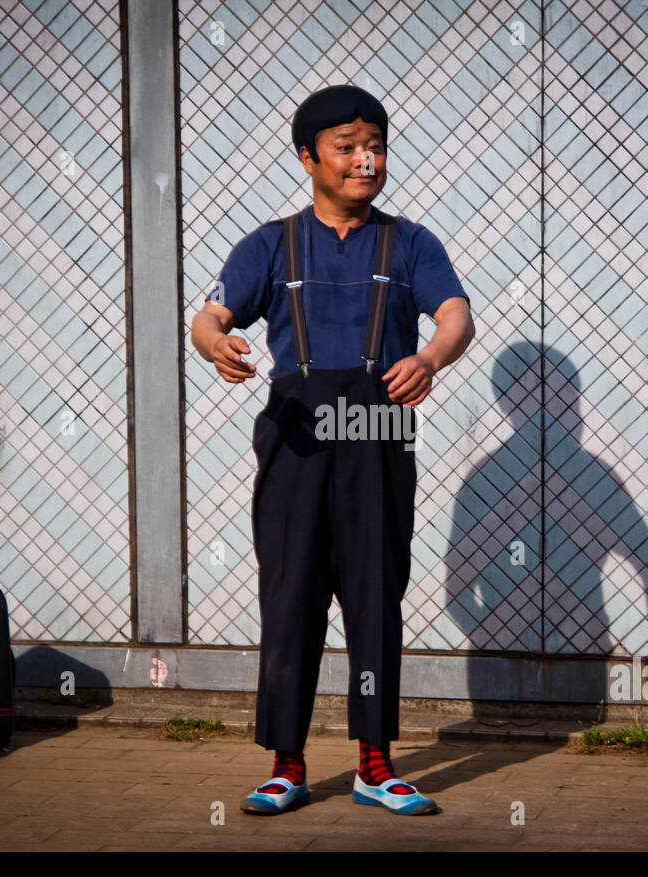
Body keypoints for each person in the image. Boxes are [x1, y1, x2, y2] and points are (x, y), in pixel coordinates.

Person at [190, 85, 475, 815]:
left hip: (378, 429)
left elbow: (455, 315)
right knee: (291, 596)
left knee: (376, 596)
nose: (365, 160)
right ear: (308, 157)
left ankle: (375, 763)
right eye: (346, 147)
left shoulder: (409, 242)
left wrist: (431, 359)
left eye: (374, 145)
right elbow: (210, 314)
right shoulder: (270, 244)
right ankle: (287, 762)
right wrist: (217, 343)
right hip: (297, 430)